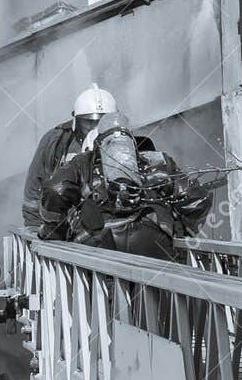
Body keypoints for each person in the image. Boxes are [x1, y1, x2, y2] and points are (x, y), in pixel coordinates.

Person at [38, 113, 213, 258]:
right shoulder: (158, 161)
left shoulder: (82, 163)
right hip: (155, 244)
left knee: (102, 298)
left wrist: (55, 233)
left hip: (96, 248)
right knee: (158, 297)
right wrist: (181, 232)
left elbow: (55, 190)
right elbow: (198, 199)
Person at [21, 85, 117, 231]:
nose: (96, 128)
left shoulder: (124, 144)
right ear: (76, 121)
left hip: (111, 228)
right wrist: (35, 231)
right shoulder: (56, 142)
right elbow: (33, 192)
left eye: (103, 121)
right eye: (89, 122)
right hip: (64, 231)